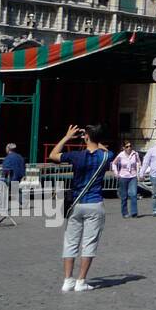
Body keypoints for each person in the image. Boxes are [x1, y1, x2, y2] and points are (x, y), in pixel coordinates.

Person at [49, 124, 113, 292]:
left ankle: (67, 279)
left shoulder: (76, 156)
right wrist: (93, 137)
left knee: (70, 242)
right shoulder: (106, 156)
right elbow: (103, 148)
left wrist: (67, 137)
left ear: (85, 137)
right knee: (89, 243)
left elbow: (53, 155)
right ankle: (81, 280)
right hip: (94, 203)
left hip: (76, 203)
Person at [112, 140, 141, 218]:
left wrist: (138, 172)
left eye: (130, 146)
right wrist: (116, 173)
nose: (129, 148)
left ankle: (134, 212)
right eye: (127, 146)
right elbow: (114, 163)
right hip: (123, 176)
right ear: (123, 148)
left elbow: (138, 162)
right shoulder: (121, 155)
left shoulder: (135, 154)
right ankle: (124, 212)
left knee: (134, 194)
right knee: (124, 196)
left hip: (133, 176)